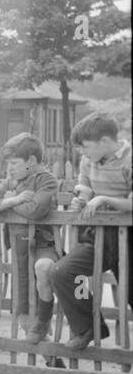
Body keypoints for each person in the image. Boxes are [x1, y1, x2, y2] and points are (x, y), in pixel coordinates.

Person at [50, 112, 132, 350]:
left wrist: (104, 199)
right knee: (64, 273)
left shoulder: (130, 159)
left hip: (129, 238)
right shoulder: (88, 160)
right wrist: (82, 199)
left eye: (85, 146)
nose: (82, 153)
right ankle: (89, 327)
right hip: (98, 236)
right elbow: (85, 186)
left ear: (105, 142)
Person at [0, 133, 61, 346]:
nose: (10, 168)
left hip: (44, 245)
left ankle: (45, 328)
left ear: (32, 161)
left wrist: (7, 203)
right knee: (23, 309)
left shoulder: (47, 179)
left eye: (14, 163)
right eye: (9, 164)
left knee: (41, 285)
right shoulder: (12, 182)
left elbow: (36, 210)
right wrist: (13, 200)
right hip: (20, 250)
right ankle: (53, 367)